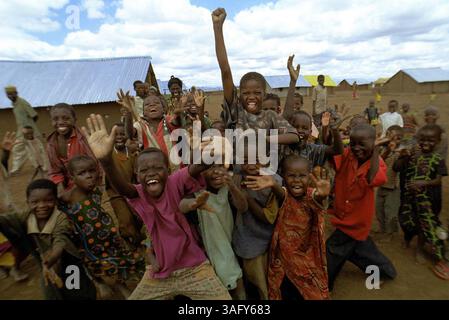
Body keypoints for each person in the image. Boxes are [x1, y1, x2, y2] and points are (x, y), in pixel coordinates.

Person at [82, 114, 231, 300]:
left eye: (157, 168)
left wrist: (214, 152)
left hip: (194, 269)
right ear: (137, 175)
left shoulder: (175, 182)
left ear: (168, 171)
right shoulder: (138, 193)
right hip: (159, 274)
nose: (151, 173)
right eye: (144, 170)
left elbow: (197, 166)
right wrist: (106, 160)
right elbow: (122, 187)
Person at [58, 155, 145, 299]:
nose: (89, 176)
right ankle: (111, 287)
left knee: (120, 262)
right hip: (91, 245)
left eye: (92, 171)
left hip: (108, 238)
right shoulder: (68, 198)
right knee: (104, 268)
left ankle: (125, 288)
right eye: (82, 173)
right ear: (72, 177)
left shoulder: (96, 190)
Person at [244, 155, 331, 300]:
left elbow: (316, 198)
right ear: (284, 177)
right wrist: (273, 184)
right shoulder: (285, 194)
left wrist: (322, 195)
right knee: (286, 292)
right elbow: (282, 193)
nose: (297, 180)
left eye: (302, 176)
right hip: (283, 261)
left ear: (309, 177)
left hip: (307, 261)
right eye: (291, 176)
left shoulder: (311, 196)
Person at [212, 8, 299, 150]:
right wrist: (217, 28)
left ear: (264, 95)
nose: (251, 97)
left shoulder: (270, 116)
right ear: (239, 96)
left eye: (257, 93)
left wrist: (265, 138)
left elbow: (294, 136)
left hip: (266, 169)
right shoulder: (237, 112)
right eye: (246, 93)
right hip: (240, 169)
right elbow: (225, 71)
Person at [326, 124, 396, 291]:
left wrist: (376, 150)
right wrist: (334, 131)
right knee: (360, 250)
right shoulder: (348, 155)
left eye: (362, 144)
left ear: (373, 143)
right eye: (353, 143)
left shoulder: (377, 163)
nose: (356, 148)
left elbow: (373, 178)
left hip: (355, 220)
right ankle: (386, 271)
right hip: (345, 215)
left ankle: (323, 285)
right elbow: (334, 151)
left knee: (332, 251)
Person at [0, 179, 97, 299]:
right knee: (52, 293)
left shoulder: (60, 218)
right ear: (28, 203)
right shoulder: (27, 216)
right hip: (48, 267)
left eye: (48, 200)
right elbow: (5, 220)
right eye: (35, 202)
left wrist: (51, 259)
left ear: (56, 201)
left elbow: (60, 240)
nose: (42, 206)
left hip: (69, 264)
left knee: (78, 292)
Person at [179, 165, 247, 299]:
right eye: (210, 167)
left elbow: (243, 207)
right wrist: (193, 204)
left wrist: (233, 187)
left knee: (237, 285)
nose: (217, 171)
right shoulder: (198, 193)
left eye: (221, 166)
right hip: (213, 248)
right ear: (199, 172)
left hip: (231, 243)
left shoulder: (227, 189)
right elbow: (182, 205)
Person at [395, 124, 449, 279]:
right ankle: (409, 240)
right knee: (407, 221)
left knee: (426, 224)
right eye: (422, 140)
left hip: (427, 201)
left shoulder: (438, 159)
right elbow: (398, 168)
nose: (425, 143)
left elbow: (438, 180)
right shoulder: (413, 156)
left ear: (438, 141)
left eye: (430, 140)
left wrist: (422, 183)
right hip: (410, 199)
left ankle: (428, 251)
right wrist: (404, 156)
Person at [232, 143, 282, 300]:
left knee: (262, 279)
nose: (251, 164)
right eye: (246, 160)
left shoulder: (273, 180)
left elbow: (268, 217)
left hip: (266, 236)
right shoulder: (237, 177)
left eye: (257, 159)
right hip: (245, 233)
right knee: (250, 273)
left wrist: (246, 196)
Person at [46, 103, 101, 194]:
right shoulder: (51, 143)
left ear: (74, 120)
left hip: (89, 187)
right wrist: (61, 191)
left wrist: (98, 185)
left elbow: (96, 163)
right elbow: (55, 170)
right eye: (55, 119)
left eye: (66, 118)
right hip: (69, 190)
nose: (60, 122)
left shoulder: (84, 138)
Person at [117, 91, 179, 172]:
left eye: (156, 103)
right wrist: (129, 113)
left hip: (175, 169)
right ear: (144, 112)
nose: (152, 105)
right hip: (154, 170)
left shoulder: (167, 120)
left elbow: (176, 122)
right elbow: (129, 134)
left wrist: (178, 114)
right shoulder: (140, 125)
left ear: (163, 109)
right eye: (147, 104)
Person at [106, 123, 144, 248]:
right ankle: (131, 245)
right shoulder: (108, 153)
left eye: (122, 134)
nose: (119, 137)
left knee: (139, 217)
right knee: (125, 220)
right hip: (116, 194)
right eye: (115, 135)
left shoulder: (132, 152)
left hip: (132, 191)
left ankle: (142, 241)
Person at [0, 131, 29, 282]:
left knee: (18, 239)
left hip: (8, 212)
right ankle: (11, 269)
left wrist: (5, 152)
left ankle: (13, 267)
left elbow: (2, 169)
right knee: (8, 243)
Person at [4, 85, 41, 175]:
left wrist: (30, 128)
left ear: (16, 93)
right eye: (8, 94)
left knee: (22, 149)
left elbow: (34, 115)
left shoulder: (22, 102)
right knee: (27, 149)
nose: (10, 96)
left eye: (12, 94)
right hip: (21, 131)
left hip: (28, 131)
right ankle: (37, 165)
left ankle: (17, 169)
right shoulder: (15, 104)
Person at [375, 125, 404, 242]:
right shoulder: (384, 149)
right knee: (379, 210)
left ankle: (389, 233)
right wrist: (388, 149)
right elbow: (380, 159)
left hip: (393, 188)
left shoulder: (402, 152)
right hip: (382, 186)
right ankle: (383, 229)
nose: (394, 140)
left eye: (397, 138)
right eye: (391, 137)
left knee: (390, 212)